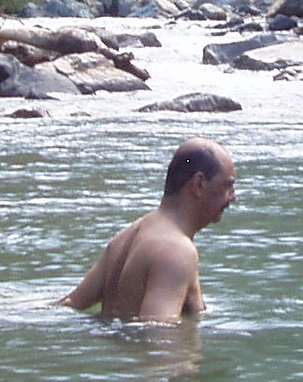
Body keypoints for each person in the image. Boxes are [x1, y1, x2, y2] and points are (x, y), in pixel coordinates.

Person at [63, 138, 237, 323]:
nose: (233, 197)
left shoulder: (128, 235)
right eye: (227, 186)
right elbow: (158, 332)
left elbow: (69, 304)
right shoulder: (176, 251)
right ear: (199, 184)